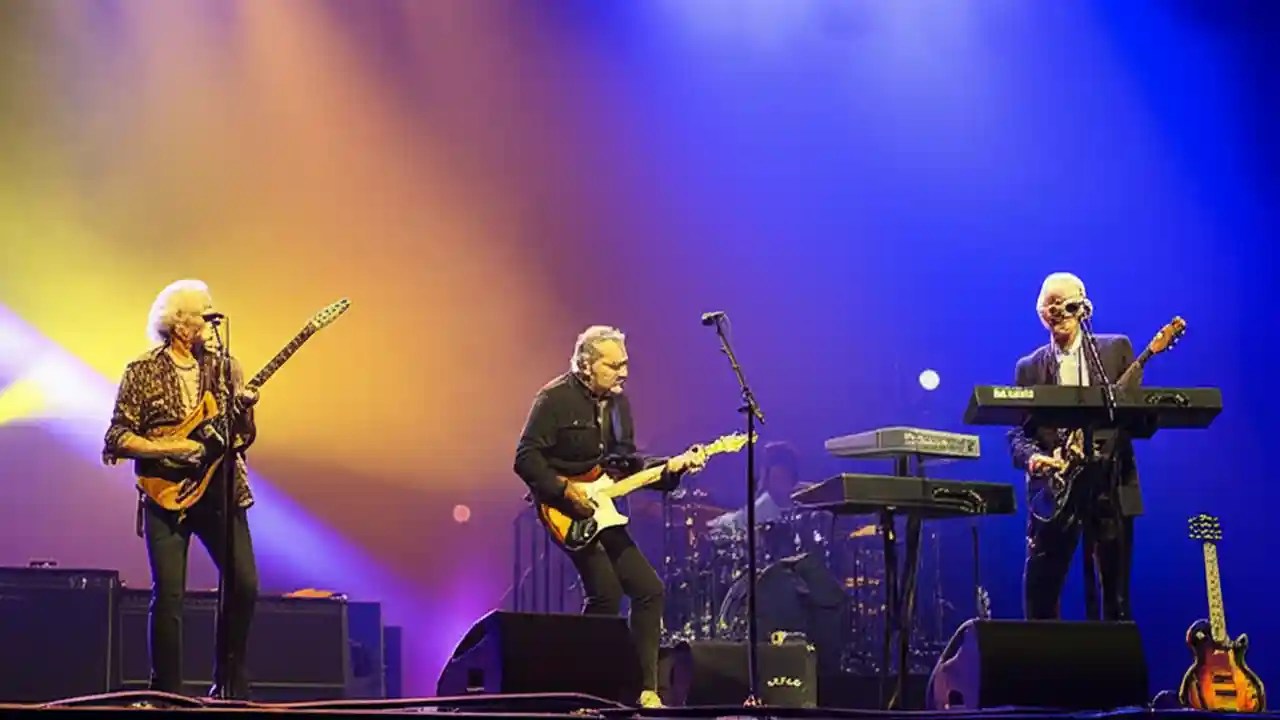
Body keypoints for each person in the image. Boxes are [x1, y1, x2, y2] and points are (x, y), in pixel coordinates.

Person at [514, 325, 707, 708]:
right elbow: (525, 458)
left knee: (649, 590)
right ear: (586, 365)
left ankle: (645, 690)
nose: (624, 373)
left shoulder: (619, 406)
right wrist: (563, 492)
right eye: (614, 365)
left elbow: (625, 464)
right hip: (565, 508)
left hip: (604, 504)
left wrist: (672, 468)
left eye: (626, 364)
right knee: (606, 593)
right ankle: (586, 692)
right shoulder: (554, 398)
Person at [103, 279, 260, 699]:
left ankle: (229, 684)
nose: (209, 325)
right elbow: (117, 437)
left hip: (219, 490)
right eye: (201, 318)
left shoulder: (225, 368)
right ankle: (166, 692)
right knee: (170, 595)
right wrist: (174, 447)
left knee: (244, 584)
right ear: (179, 324)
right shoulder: (142, 370)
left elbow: (242, 437)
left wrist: (245, 412)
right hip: (165, 493)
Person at [1007, 272, 1142, 621]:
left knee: (1115, 600)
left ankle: (1113, 655)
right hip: (1056, 491)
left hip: (1107, 487)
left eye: (1065, 306)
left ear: (1083, 307)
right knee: (1040, 595)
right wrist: (1035, 458)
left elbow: (1135, 418)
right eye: (1049, 308)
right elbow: (1018, 433)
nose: (1057, 315)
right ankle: (1046, 656)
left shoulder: (1114, 350)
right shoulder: (1029, 367)